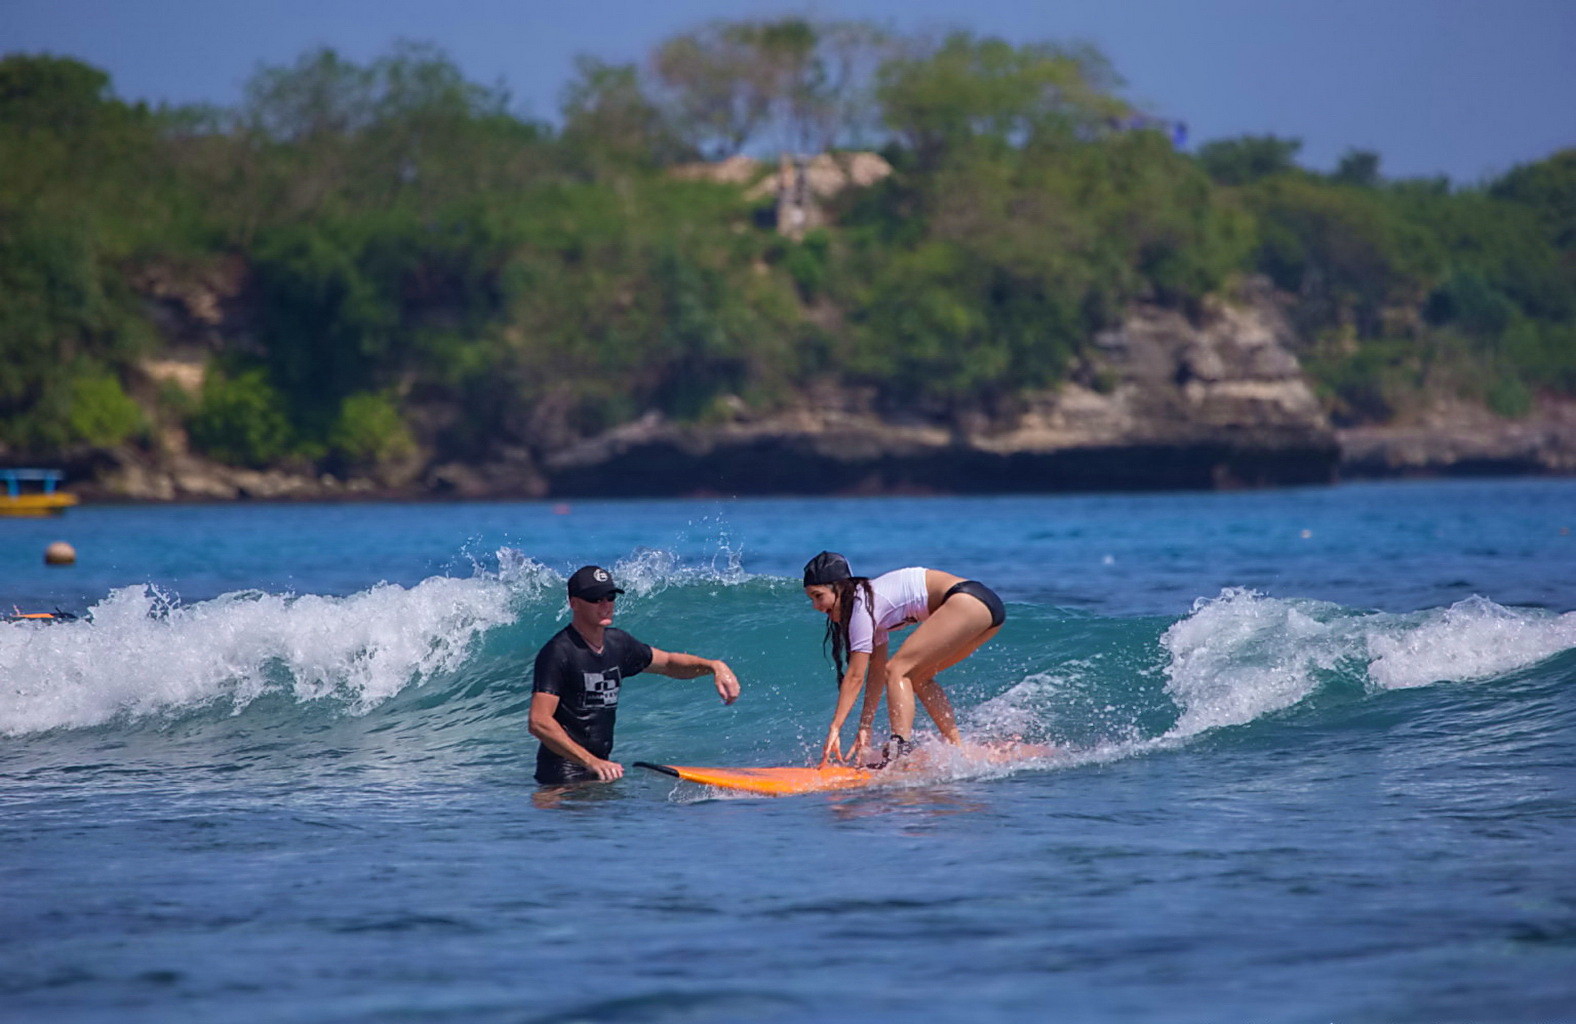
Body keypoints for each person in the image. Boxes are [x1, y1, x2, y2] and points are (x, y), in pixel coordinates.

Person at [529, 565, 740, 785]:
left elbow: (668, 663)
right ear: (574, 603)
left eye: (610, 597)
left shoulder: (618, 644)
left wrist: (714, 666)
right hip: (561, 775)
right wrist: (591, 761)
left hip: (601, 770)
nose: (605, 605)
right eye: (595, 599)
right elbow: (539, 721)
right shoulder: (558, 652)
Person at [802, 551, 1006, 767]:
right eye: (811, 599)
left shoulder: (862, 605)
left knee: (898, 669)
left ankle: (899, 752)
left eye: (818, 596)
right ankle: (958, 748)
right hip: (988, 607)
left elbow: (855, 676)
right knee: (919, 676)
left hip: (966, 600)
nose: (816, 606)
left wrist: (835, 727)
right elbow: (877, 669)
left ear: (840, 587)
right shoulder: (869, 605)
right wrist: (865, 726)